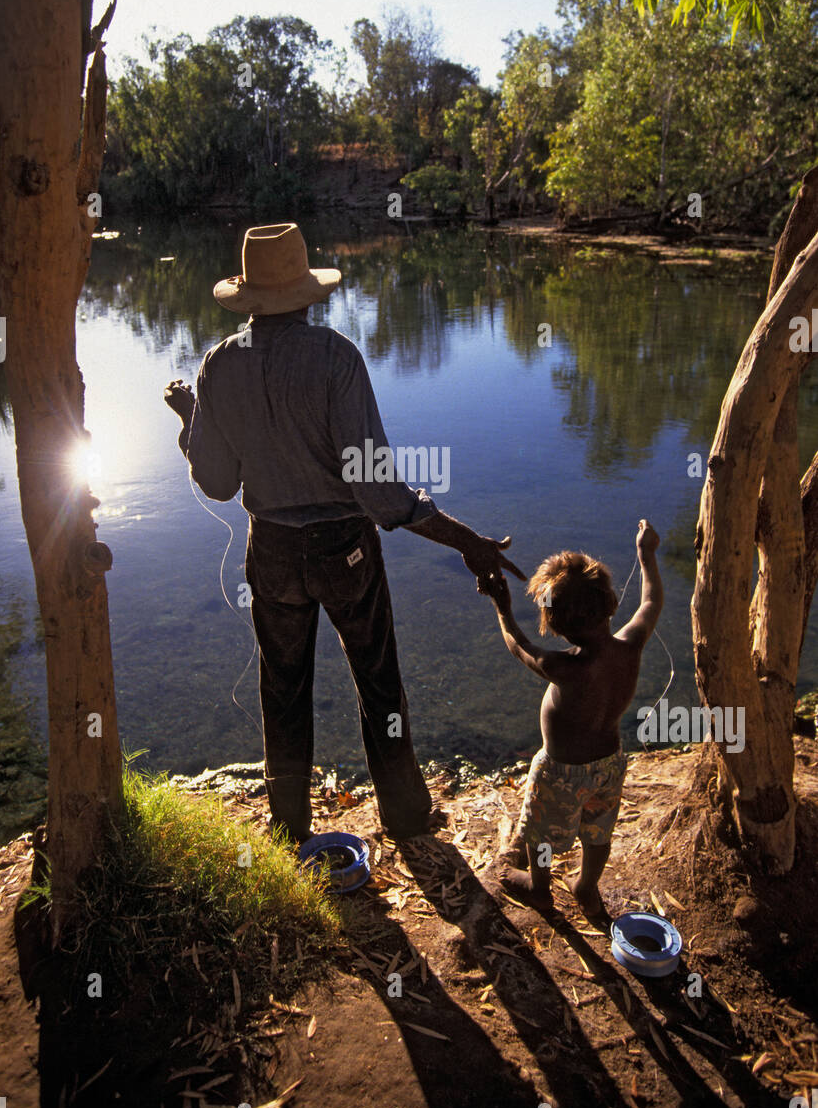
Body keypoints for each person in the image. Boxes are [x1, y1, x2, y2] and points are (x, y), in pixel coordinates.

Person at [164, 222, 525, 843]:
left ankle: (287, 829)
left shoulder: (219, 365)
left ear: (248, 297)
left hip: (271, 553)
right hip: (345, 549)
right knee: (378, 681)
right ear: (307, 295)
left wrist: (192, 420)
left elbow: (219, 484)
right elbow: (379, 493)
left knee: (281, 687)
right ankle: (408, 818)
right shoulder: (336, 359)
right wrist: (469, 541)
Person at [482, 519, 663, 923]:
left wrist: (501, 606)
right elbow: (651, 603)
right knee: (599, 833)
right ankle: (586, 885)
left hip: (560, 772)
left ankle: (539, 889)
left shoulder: (563, 666)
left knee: (541, 835)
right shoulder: (631, 644)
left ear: (558, 626)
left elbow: (518, 645)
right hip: (610, 763)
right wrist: (646, 555)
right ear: (612, 604)